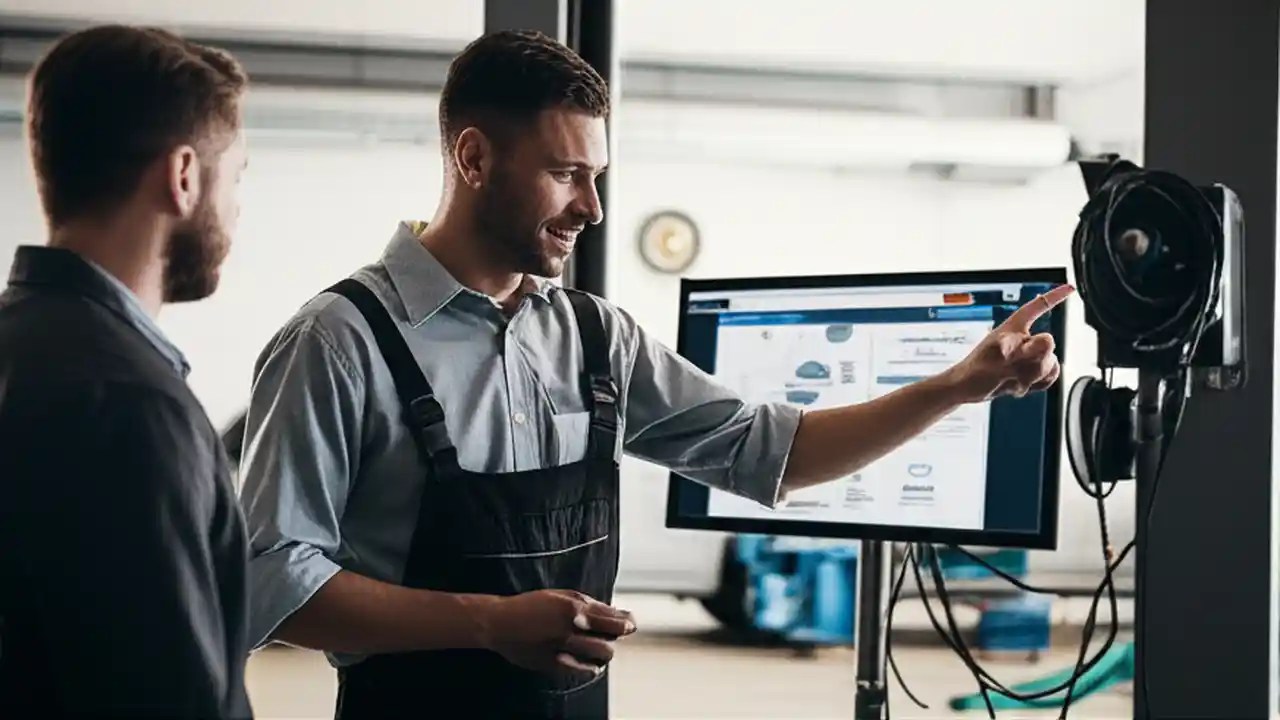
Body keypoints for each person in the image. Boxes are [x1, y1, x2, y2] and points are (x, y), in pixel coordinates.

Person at [236, 30, 1070, 720]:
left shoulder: (596, 337)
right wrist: (490, 623)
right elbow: (273, 576)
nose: (591, 209)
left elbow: (771, 451)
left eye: (596, 177)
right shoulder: (338, 342)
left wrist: (957, 387)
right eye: (567, 174)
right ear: (475, 158)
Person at [0, 25, 253, 719]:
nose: (236, 209)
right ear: (182, 177)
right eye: (237, 177)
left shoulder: (20, 346)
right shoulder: (130, 405)